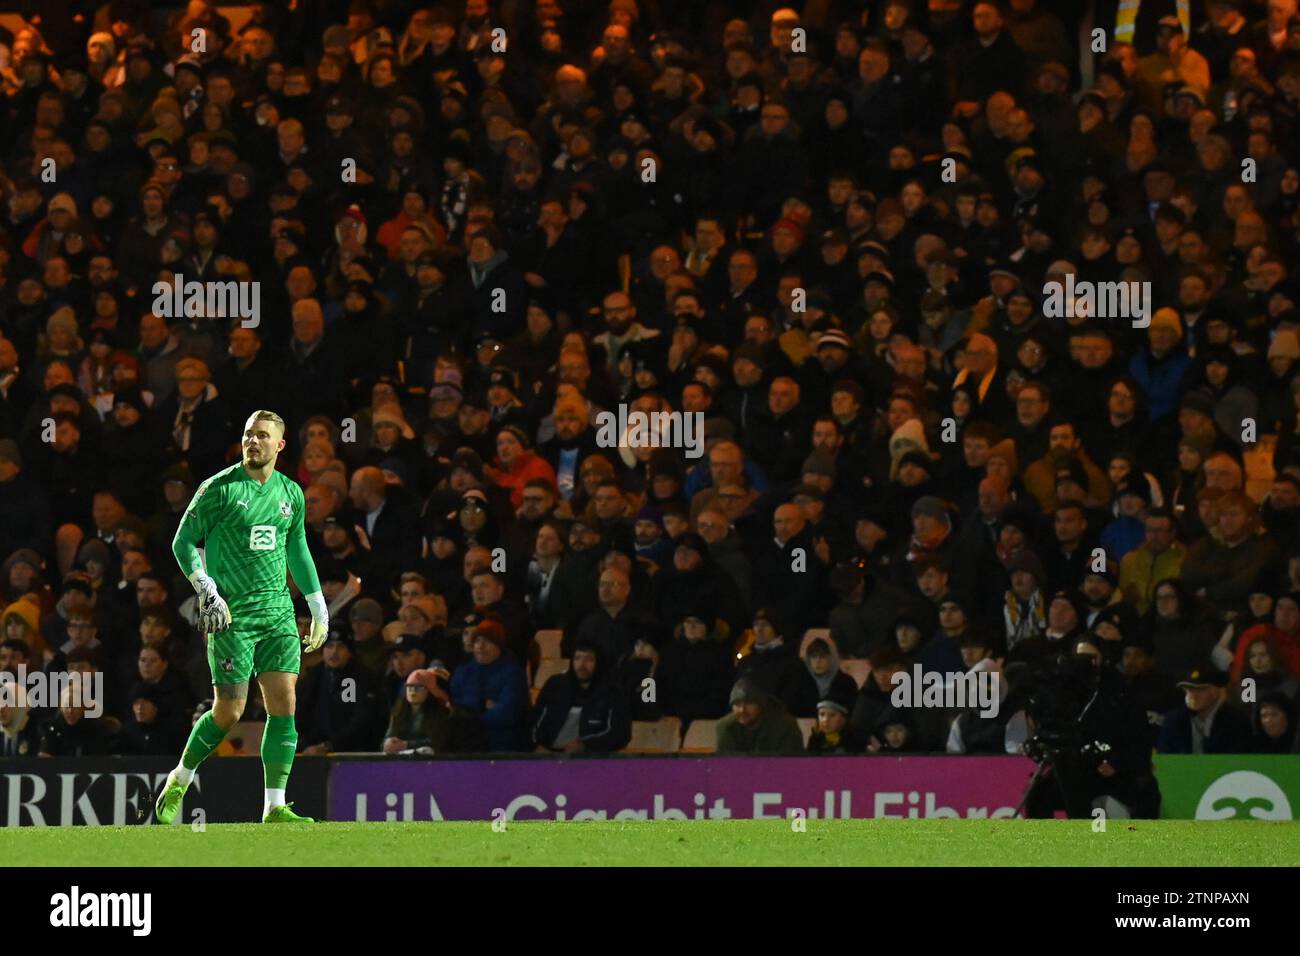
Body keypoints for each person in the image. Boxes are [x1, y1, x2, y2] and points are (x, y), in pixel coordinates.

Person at [153, 410, 330, 825]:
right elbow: (182, 542)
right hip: (231, 614)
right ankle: (180, 777)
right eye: (249, 434)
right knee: (229, 710)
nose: (253, 441)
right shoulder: (218, 488)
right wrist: (206, 589)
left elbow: (298, 548)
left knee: (284, 704)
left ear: (280, 445)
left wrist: (317, 602)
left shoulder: (291, 493)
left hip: (278, 613)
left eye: (263, 436)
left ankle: (274, 807)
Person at [531, 640, 631, 752]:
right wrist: (537, 745)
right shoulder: (555, 685)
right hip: (548, 756)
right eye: (577, 658)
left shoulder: (612, 692)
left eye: (589, 659)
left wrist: (585, 746)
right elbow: (535, 720)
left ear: (598, 663)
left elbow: (619, 733)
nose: (582, 664)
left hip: (591, 760)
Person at [1156, 666, 1253, 754]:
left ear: (1217, 691)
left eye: (1200, 689)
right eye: (1189, 689)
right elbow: (1165, 756)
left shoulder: (1236, 721)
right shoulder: (1174, 719)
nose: (1193, 695)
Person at [714, 677, 804, 755]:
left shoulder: (785, 726)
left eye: (749, 703)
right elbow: (725, 765)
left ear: (761, 705)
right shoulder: (726, 727)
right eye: (737, 704)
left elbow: (792, 765)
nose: (742, 710)